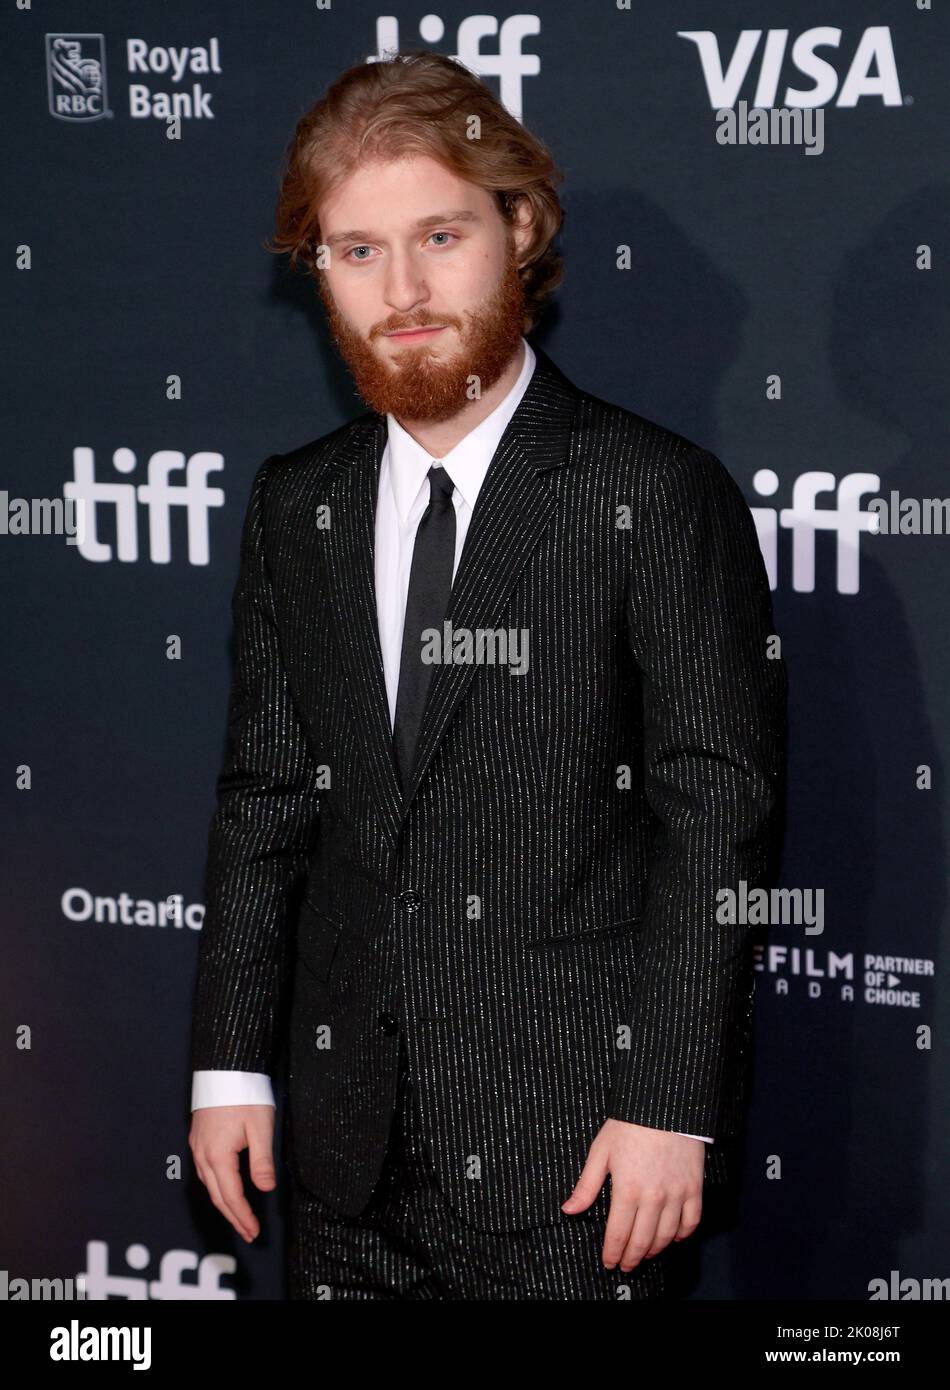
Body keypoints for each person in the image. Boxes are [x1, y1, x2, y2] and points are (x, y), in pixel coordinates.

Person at [188, 49, 788, 1300]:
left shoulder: (648, 491)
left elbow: (716, 818)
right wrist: (232, 1066)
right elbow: (265, 799)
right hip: (344, 1158)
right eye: (355, 251)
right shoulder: (296, 503)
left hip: (576, 1165)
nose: (399, 291)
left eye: (438, 236)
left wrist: (669, 1101)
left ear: (519, 227)